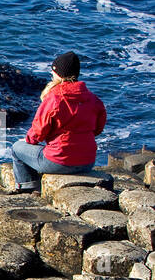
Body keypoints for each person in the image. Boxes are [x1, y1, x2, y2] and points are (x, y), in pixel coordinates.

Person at [8, 51, 107, 191]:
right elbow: (98, 129)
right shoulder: (93, 99)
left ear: (59, 74)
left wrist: (29, 141)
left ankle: (26, 187)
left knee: (17, 149)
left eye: (53, 71)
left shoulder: (54, 98)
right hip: (87, 162)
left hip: (59, 162)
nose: (51, 74)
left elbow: (38, 132)